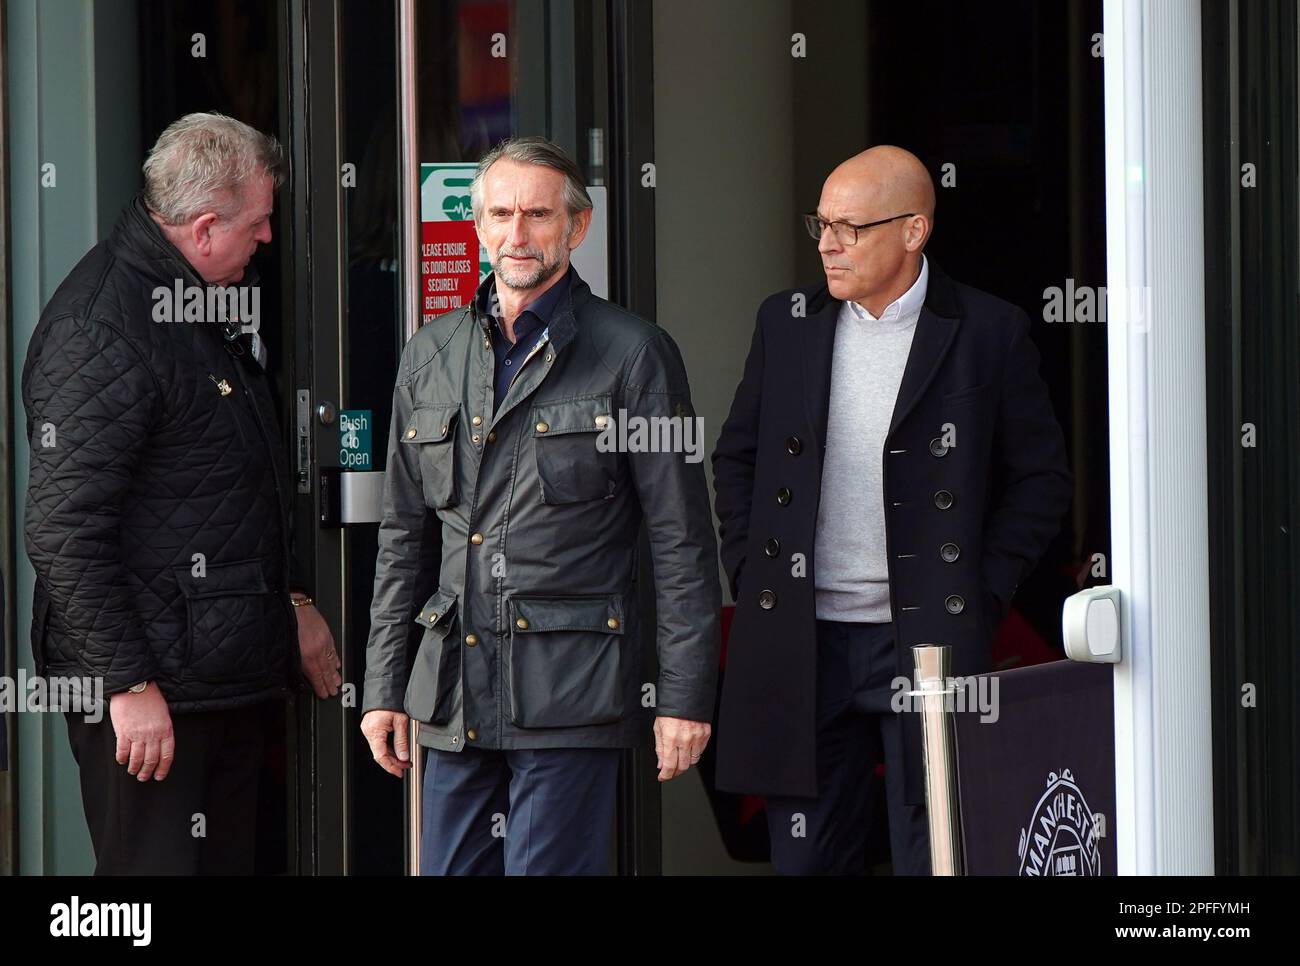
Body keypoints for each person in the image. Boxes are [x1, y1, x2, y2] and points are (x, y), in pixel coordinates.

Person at [361, 136, 720, 875]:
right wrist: (384, 687)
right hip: (454, 689)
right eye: (500, 214)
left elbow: (681, 538)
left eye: (536, 214)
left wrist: (685, 696)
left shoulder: (634, 354)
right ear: (479, 227)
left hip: (570, 690)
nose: (517, 233)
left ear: (575, 227)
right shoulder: (429, 355)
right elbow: (404, 537)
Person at [711, 145, 1072, 874]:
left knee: (934, 852)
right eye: (820, 224)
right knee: (808, 858)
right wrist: (753, 573)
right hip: (804, 642)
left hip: (926, 643)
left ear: (914, 231)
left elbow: (1041, 480)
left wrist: (980, 590)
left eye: (849, 227)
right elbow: (737, 457)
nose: (826, 245)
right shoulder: (786, 322)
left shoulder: (987, 331)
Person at [22, 112, 340, 875]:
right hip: (152, 694)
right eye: (259, 223)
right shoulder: (103, 326)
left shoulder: (196, 298)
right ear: (203, 229)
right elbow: (64, 527)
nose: (268, 239)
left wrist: (289, 603)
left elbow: (241, 485)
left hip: (215, 678)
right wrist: (126, 683)